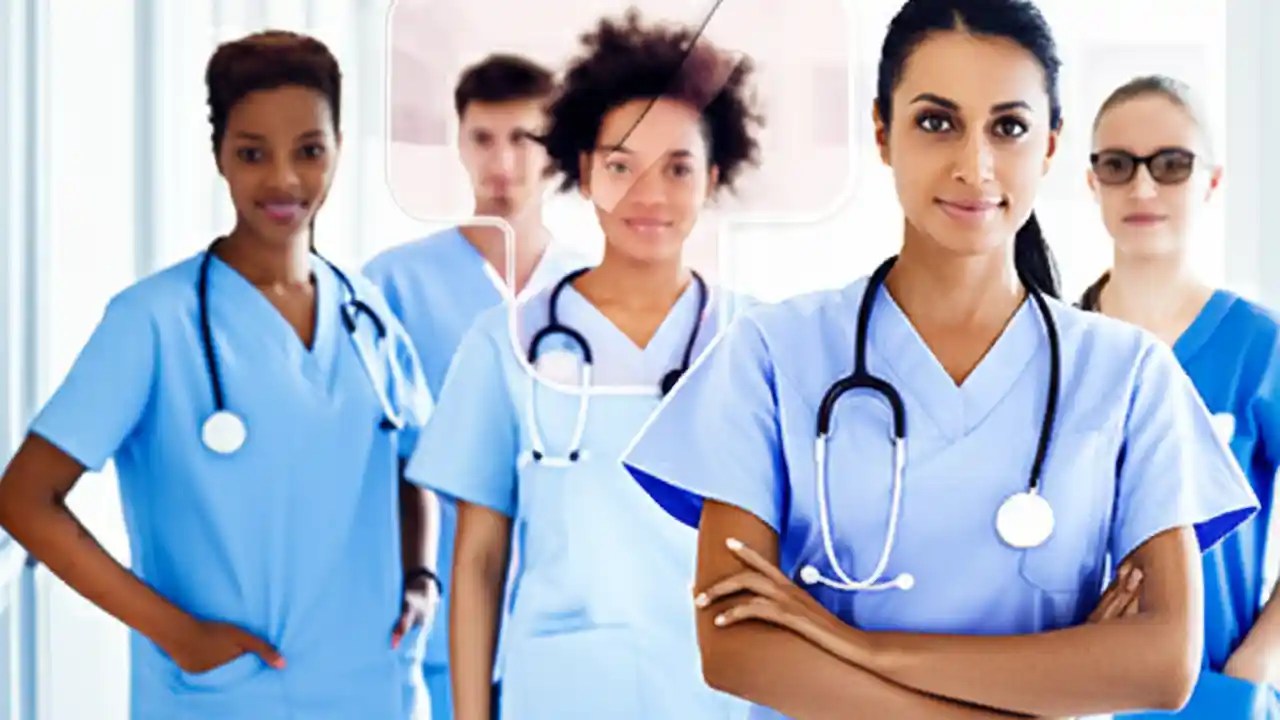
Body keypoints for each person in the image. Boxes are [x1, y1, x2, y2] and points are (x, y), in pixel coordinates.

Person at [619, 1, 1261, 718]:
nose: (974, 165)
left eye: (1009, 128)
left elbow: (1162, 663)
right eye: (936, 121)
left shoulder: (1129, 375)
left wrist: (856, 644)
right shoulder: (772, 355)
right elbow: (735, 647)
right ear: (882, 132)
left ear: (1050, 146)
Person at [0, 31, 432, 719]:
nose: (284, 180)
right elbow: (25, 499)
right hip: (223, 695)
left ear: (339, 149)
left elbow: (412, 458)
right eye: (253, 153)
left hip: (370, 687)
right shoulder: (152, 322)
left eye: (309, 150)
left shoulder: (367, 313)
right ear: (219, 157)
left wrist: (421, 576)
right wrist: (182, 636)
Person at [404, 10, 762, 719]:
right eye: (621, 165)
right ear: (584, 171)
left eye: (679, 168)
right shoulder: (505, 342)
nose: (649, 195)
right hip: (559, 693)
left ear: (714, 176)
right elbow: (476, 563)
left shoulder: (759, 341)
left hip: (715, 696)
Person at [362, 52, 590, 720]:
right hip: (426, 603)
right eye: (483, 139)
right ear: (458, 145)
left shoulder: (598, 290)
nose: (503, 162)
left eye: (525, 138)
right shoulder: (392, 285)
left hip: (561, 611)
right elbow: (373, 457)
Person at [1079, 75, 1280, 719]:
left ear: (1211, 182)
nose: (1142, 187)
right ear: (1092, 183)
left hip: (1213, 695)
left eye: (1171, 164)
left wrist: (1253, 666)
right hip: (1070, 690)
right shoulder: (1056, 347)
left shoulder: (1257, 346)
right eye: (1118, 165)